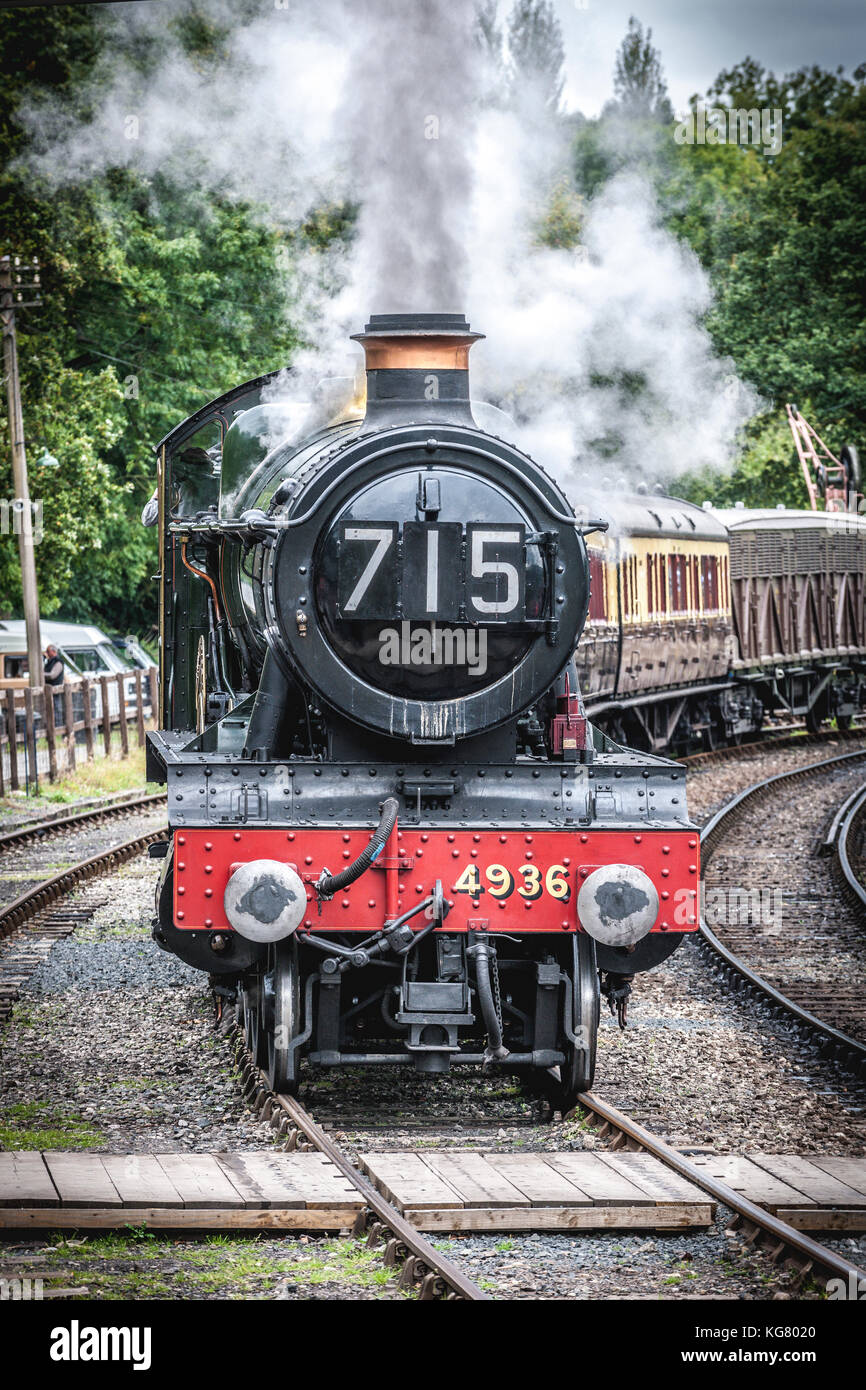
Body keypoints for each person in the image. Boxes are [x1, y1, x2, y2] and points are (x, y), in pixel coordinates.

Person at [43, 645, 65, 725]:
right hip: (49, 691)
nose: (47, 653)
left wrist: (41, 674)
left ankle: (57, 726)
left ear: (53, 651)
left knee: (56, 710)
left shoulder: (58, 662)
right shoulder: (49, 662)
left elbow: (53, 675)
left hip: (56, 690)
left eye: (48, 651)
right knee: (50, 710)